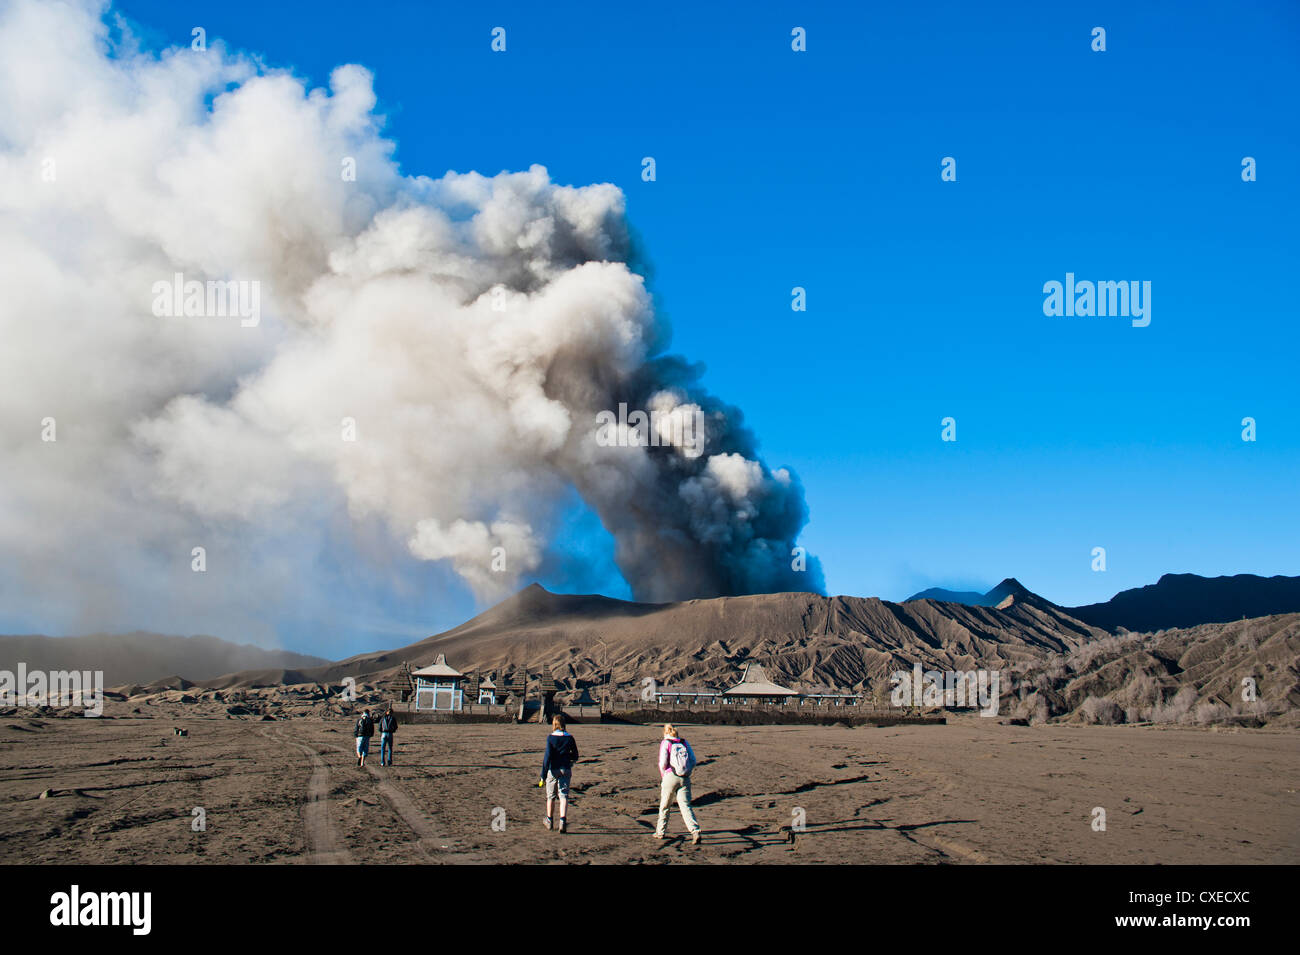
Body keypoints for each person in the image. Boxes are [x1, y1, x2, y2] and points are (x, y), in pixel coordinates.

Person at [656, 723, 701, 844]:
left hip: (670, 776)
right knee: (686, 806)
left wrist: (664, 774)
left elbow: (663, 763)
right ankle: (695, 831)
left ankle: (660, 832)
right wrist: (687, 772)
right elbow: (693, 760)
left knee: (665, 805)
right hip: (684, 777)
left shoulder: (666, 743)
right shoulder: (684, 742)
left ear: (665, 733)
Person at [538, 713, 579, 833]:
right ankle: (562, 821)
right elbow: (575, 755)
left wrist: (543, 775)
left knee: (550, 796)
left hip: (553, 768)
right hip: (565, 768)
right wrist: (568, 758)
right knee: (563, 795)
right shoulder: (570, 738)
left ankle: (549, 820)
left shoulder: (551, 738)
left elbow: (547, 757)